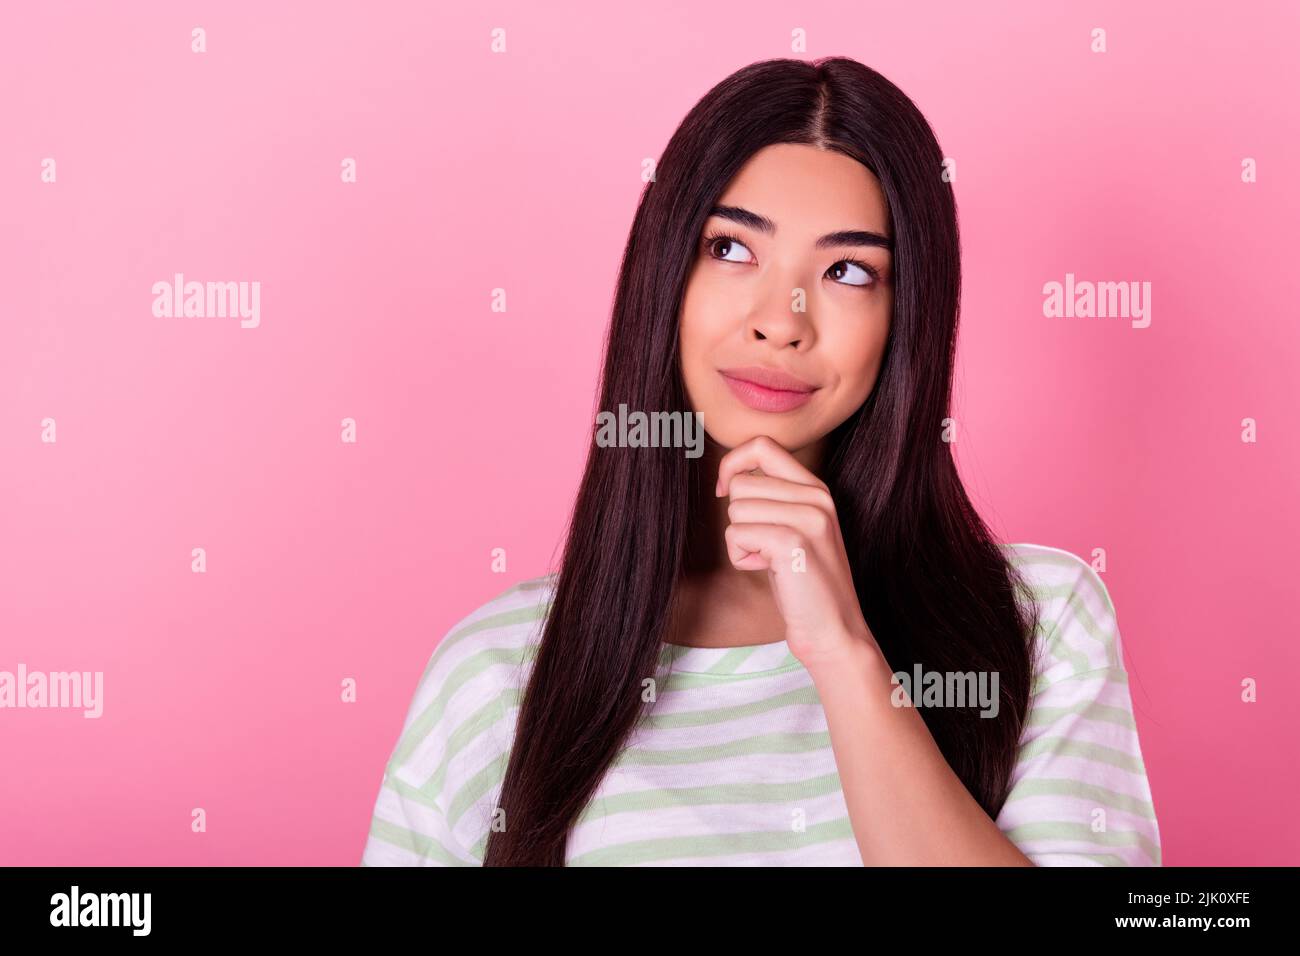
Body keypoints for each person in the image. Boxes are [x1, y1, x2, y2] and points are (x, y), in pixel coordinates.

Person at [361, 56, 1161, 866]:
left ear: (906, 317)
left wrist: (846, 655)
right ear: (664, 275)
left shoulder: (1040, 622)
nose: (783, 321)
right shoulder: (496, 676)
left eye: (848, 270)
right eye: (733, 249)